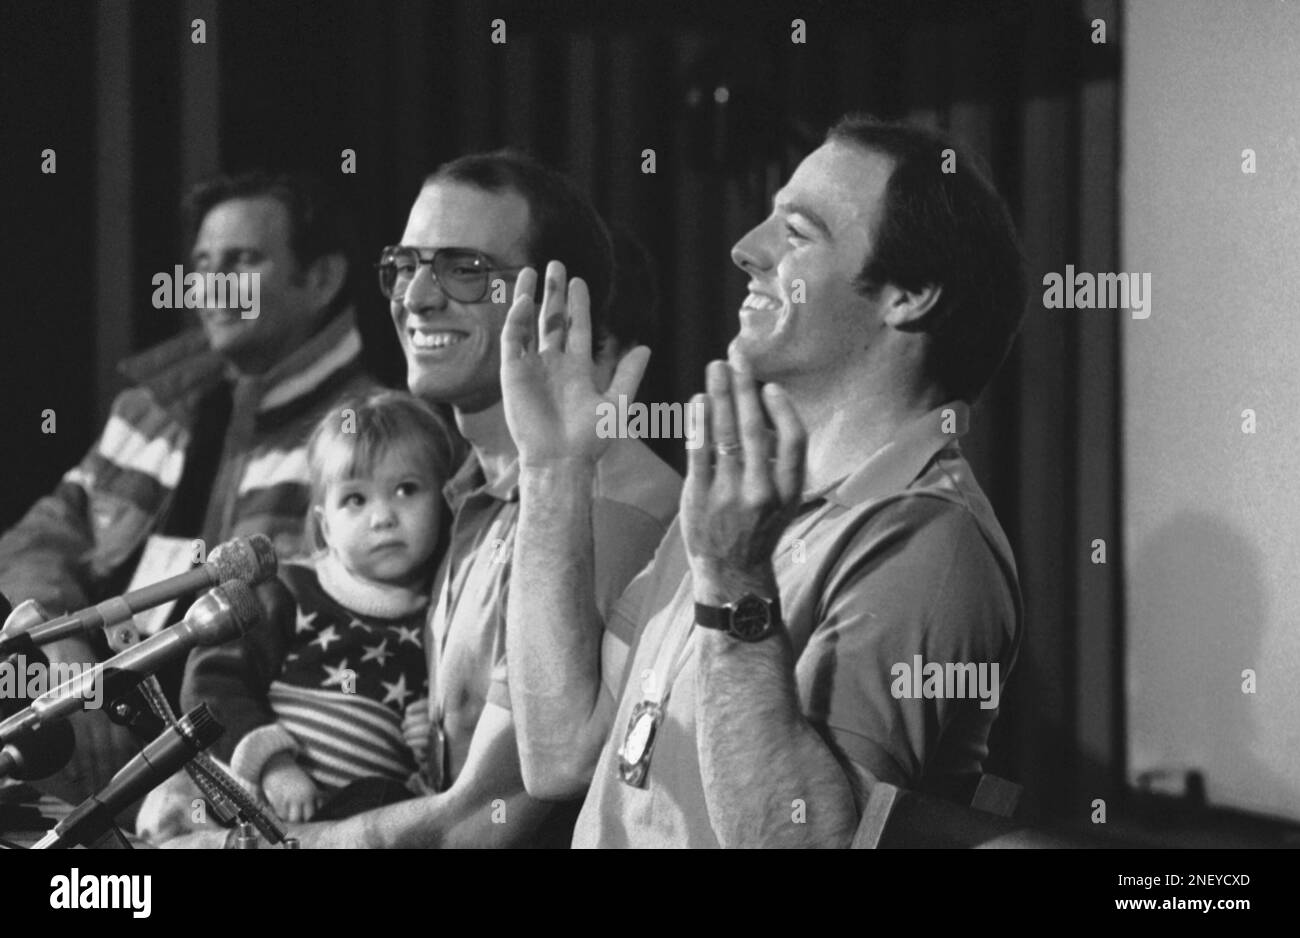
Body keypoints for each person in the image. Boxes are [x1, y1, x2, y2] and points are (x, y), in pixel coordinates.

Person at [500, 115, 1028, 847]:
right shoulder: (744, 503)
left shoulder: (928, 540)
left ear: (910, 294)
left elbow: (803, 843)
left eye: (799, 232)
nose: (746, 250)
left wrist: (734, 579)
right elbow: (559, 756)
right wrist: (554, 471)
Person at [168, 151, 681, 848]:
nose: (414, 297)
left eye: (465, 270)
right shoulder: (463, 489)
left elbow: (478, 826)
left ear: (561, 305)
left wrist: (250, 845)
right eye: (406, 265)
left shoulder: (604, 507)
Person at [0, 170, 374, 804]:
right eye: (202, 263)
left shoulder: (366, 433)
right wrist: (62, 649)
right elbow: (37, 540)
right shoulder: (146, 410)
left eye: (243, 260)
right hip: (67, 707)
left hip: (225, 759)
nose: (212, 285)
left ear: (320, 279)